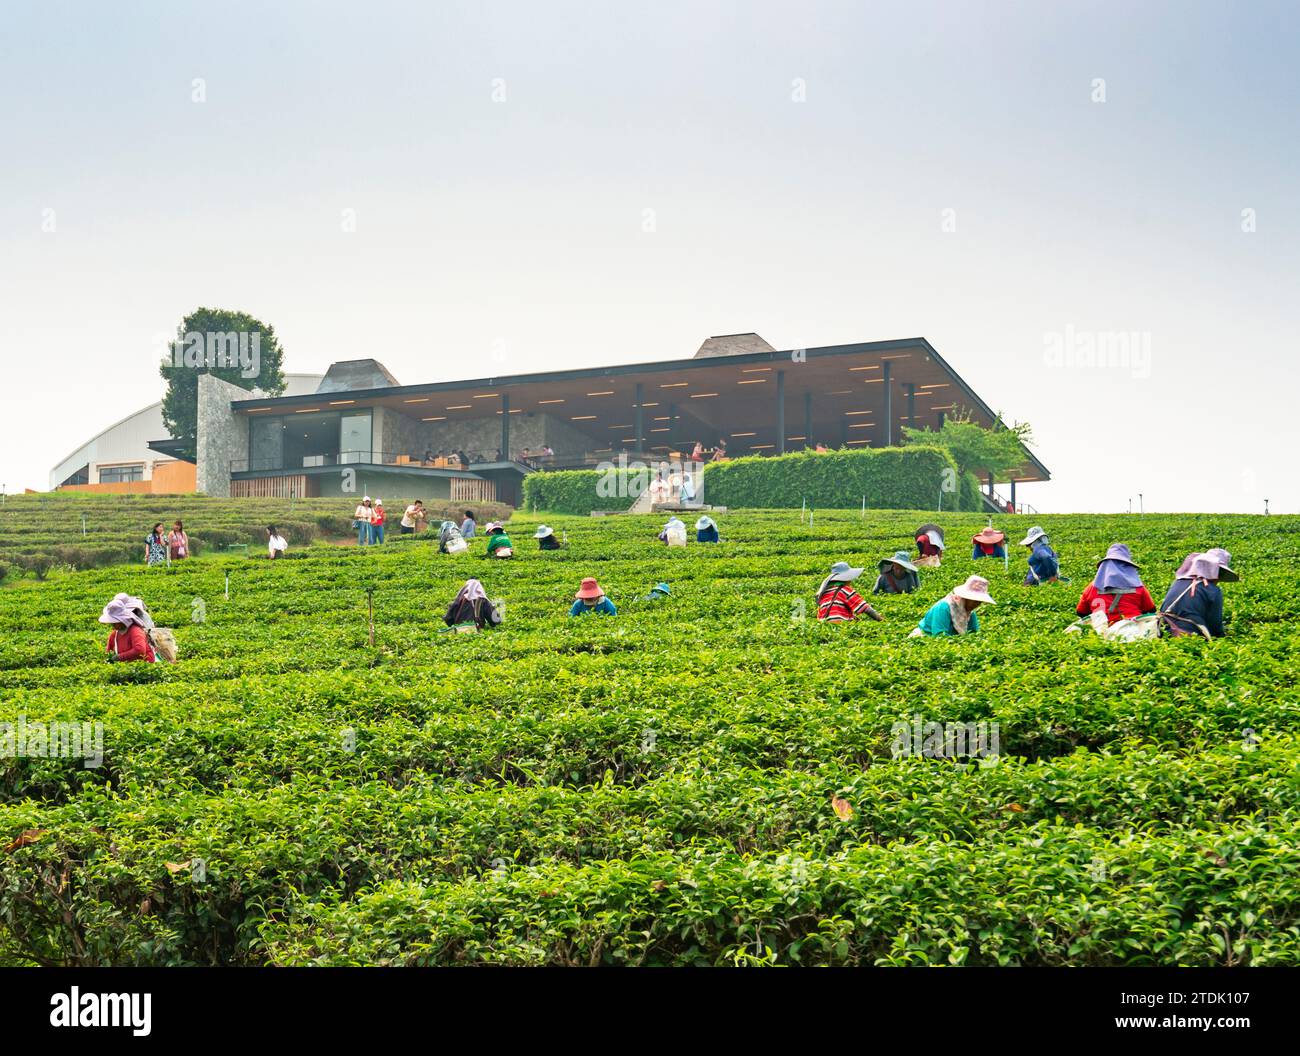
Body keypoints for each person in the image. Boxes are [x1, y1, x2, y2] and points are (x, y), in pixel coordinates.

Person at [1160, 548, 1237, 638]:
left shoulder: (1178, 582)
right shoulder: (1213, 591)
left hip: (1162, 632)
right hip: (1189, 637)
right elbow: (1215, 626)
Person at [1076, 543, 1157, 625]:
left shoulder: (1092, 587)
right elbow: (1150, 610)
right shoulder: (1138, 586)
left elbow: (1081, 612)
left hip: (1101, 628)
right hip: (1132, 627)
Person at [910, 576, 995, 637]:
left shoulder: (970, 613)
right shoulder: (943, 607)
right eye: (974, 601)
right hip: (925, 640)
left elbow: (974, 633)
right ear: (966, 597)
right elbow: (939, 636)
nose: (977, 604)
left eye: (979, 602)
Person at [815, 562, 884, 622]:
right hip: (840, 624)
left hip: (824, 624)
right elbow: (865, 608)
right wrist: (881, 620)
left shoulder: (825, 592)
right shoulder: (844, 590)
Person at [99, 594, 157, 662]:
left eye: (115, 622)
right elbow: (109, 651)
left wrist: (120, 657)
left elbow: (140, 650)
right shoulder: (114, 635)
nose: (112, 624)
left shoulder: (135, 631)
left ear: (122, 620)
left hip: (144, 664)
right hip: (127, 666)